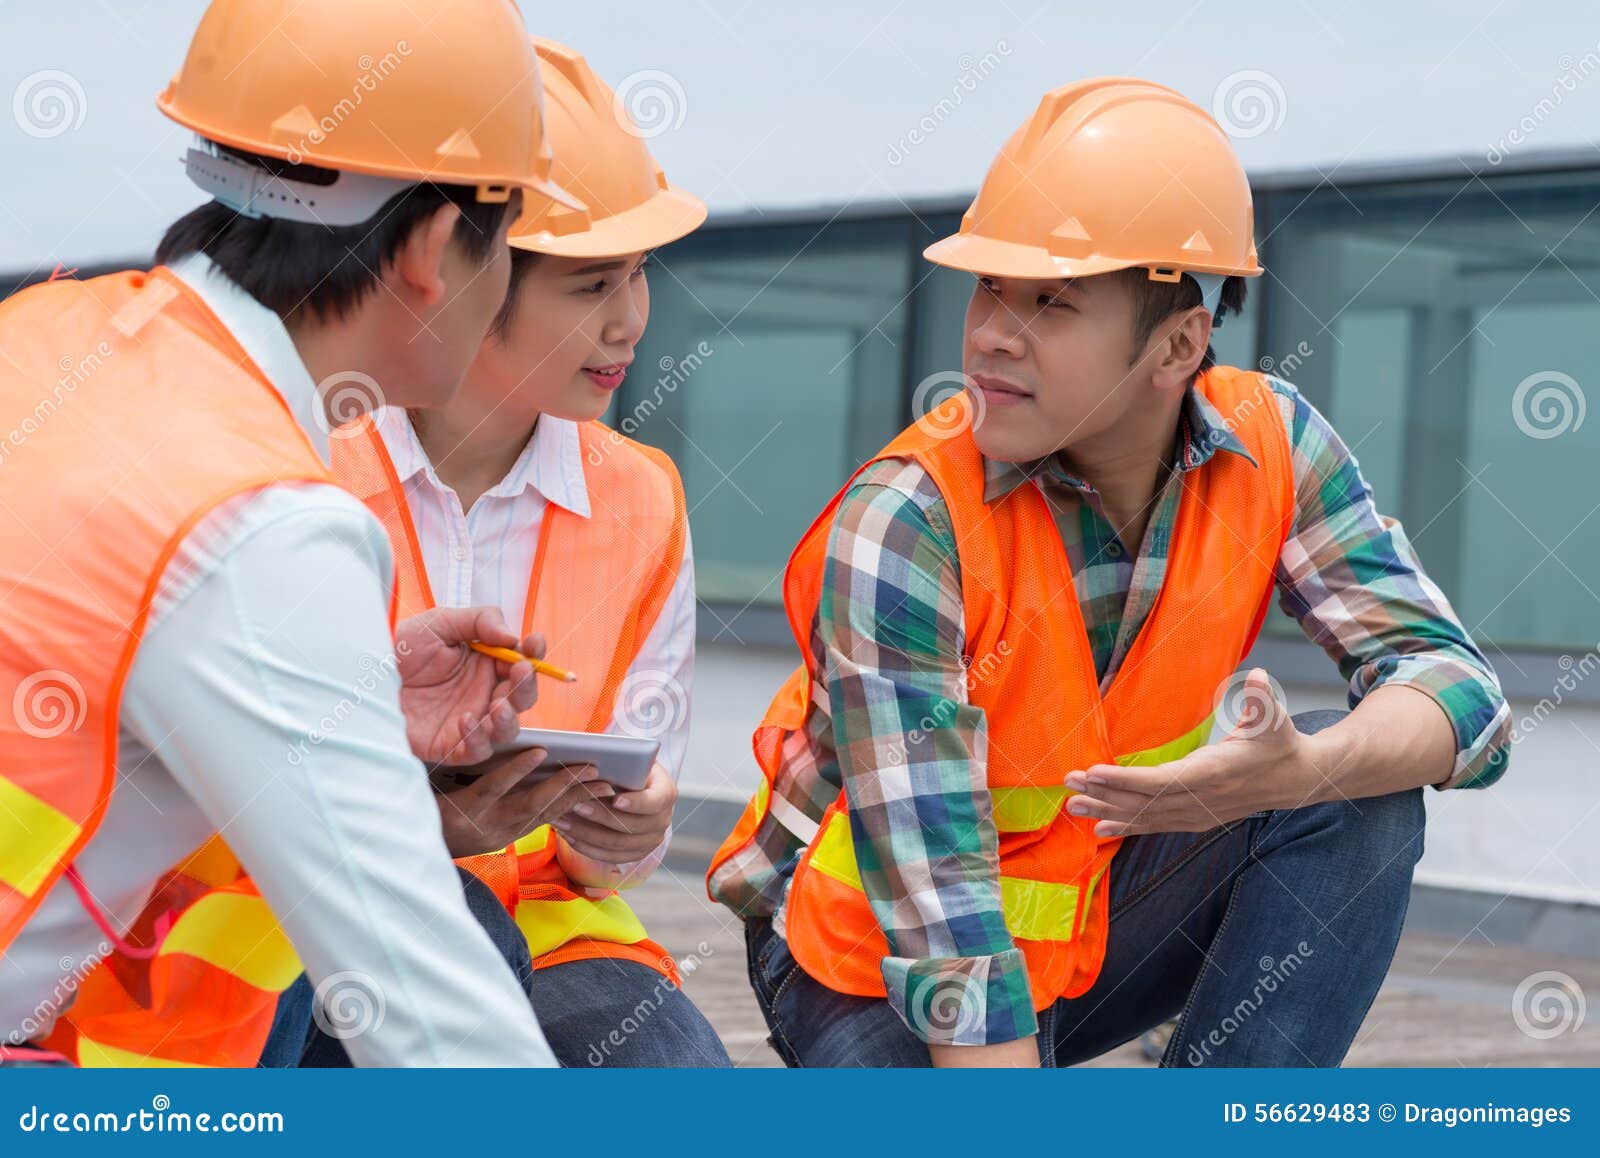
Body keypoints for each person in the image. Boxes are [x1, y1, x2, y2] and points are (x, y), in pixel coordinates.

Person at [707, 77, 1513, 1068]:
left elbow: (1464, 696)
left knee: (1358, 801)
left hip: (1084, 918)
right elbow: (943, 908)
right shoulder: (910, 520)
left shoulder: (1273, 445)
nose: (992, 332)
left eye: (1050, 301)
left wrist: (1308, 768)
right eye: (989, 287)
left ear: (1178, 343)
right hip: (871, 955)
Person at [0, 0, 580, 1068]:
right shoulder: (253, 522)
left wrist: (348, 693)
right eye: (515, 247)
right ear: (438, 244)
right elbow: (438, 1024)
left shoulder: (44, 339)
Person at [262, 39, 729, 1069]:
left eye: (640, 274)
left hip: (559, 928)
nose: (632, 322)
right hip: (325, 922)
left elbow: (616, 862)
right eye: (590, 284)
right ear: (456, 271)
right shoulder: (296, 472)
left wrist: (625, 834)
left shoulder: (642, 497)